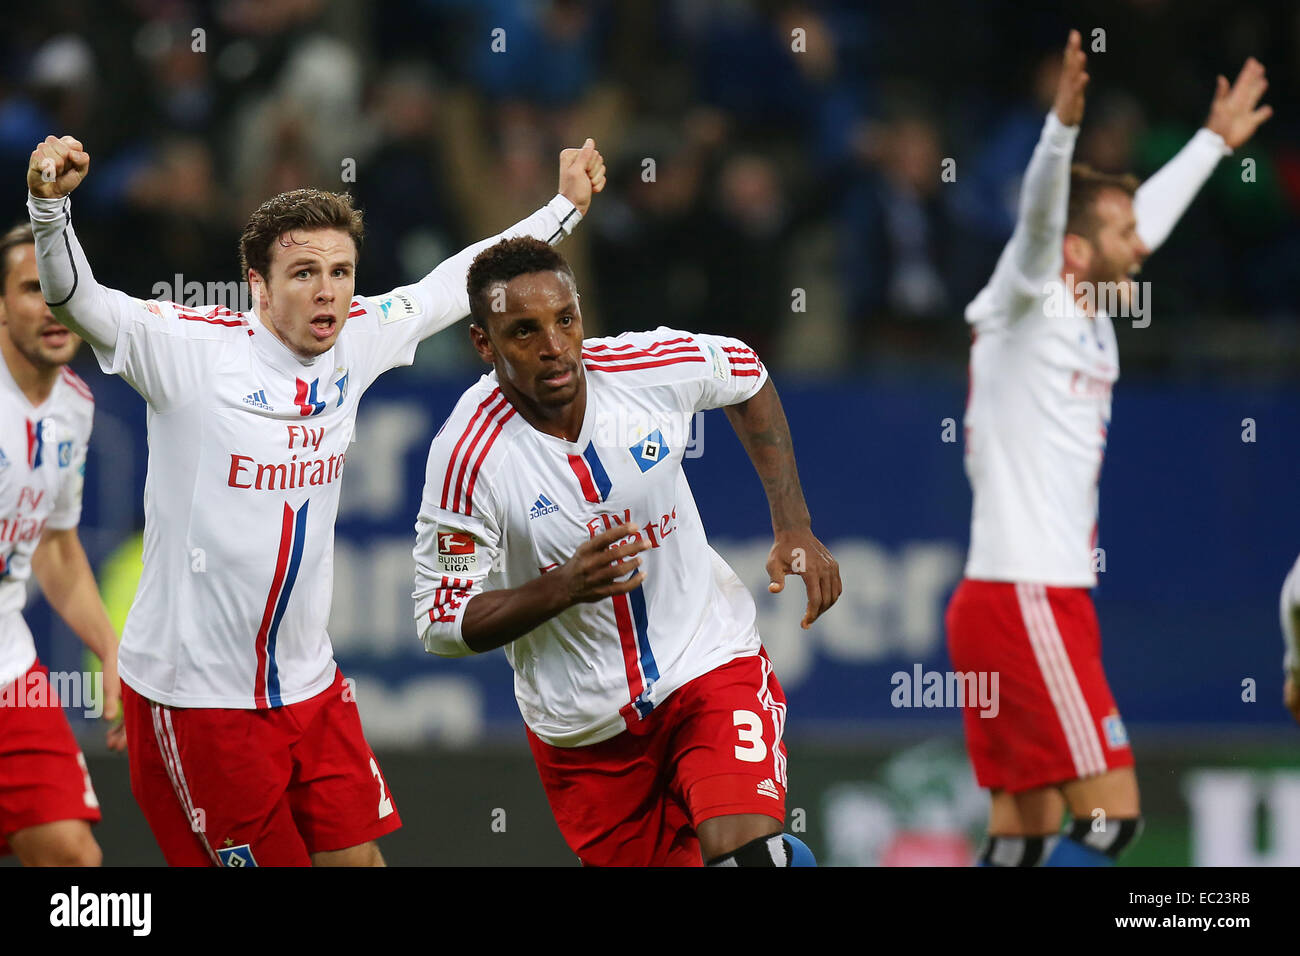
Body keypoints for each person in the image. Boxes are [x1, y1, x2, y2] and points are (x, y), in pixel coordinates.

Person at [26, 131, 606, 866]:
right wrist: (49, 211)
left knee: (360, 863)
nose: (327, 289)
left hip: (309, 686)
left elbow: (459, 278)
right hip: (200, 701)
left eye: (340, 271)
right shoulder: (187, 351)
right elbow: (79, 301)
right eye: (303, 273)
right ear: (258, 287)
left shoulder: (358, 339)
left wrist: (563, 208)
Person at [946, 30, 1272, 867]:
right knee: (1112, 821)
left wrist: (1210, 142)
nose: (1141, 244)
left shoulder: (1091, 311)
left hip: (1024, 599)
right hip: (1027, 596)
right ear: (1078, 251)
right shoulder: (1023, 298)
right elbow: (1041, 220)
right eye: (1120, 232)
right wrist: (1058, 131)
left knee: (1022, 840)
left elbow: (1138, 222)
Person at [412, 236, 840, 866]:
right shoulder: (466, 457)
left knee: (754, 857)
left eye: (565, 320)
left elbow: (746, 373)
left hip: (707, 663)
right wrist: (563, 588)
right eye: (524, 331)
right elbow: (442, 622)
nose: (554, 347)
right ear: (484, 343)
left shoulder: (645, 370)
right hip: (586, 734)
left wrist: (794, 526)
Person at [0, 223, 124, 866]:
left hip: (10, 671)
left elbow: (53, 545)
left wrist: (110, 653)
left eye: (61, 288)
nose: (51, 305)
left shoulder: (75, 406)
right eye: (30, 289)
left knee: (73, 857)